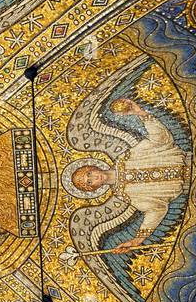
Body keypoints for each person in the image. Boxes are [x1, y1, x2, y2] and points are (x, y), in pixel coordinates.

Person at [70, 98, 187, 252]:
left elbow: (162, 140)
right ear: (95, 189)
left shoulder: (129, 156)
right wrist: (137, 240)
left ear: (94, 167)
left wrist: (140, 113)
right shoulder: (128, 196)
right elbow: (156, 210)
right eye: (90, 182)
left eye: (90, 174)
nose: (95, 178)